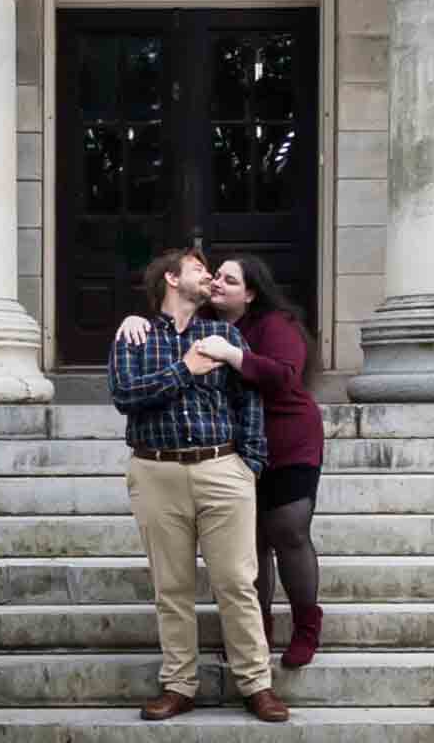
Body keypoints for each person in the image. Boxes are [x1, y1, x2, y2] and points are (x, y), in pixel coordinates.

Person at [108, 247, 290, 723]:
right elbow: (125, 395)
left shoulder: (223, 335)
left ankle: (257, 684)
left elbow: (248, 401)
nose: (209, 277)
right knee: (172, 587)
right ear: (171, 279)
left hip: (221, 468)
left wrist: (249, 465)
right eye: (199, 269)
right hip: (156, 472)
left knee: (237, 583)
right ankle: (179, 685)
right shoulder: (135, 336)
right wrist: (184, 369)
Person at [119, 253, 326, 668]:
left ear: (250, 293)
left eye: (230, 281)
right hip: (236, 446)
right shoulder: (206, 325)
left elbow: (285, 376)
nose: (216, 283)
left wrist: (233, 355)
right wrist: (133, 319)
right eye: (215, 276)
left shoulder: (275, 325)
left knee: (288, 530)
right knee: (252, 542)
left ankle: (306, 627)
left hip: (288, 440)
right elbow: (168, 321)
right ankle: (258, 630)